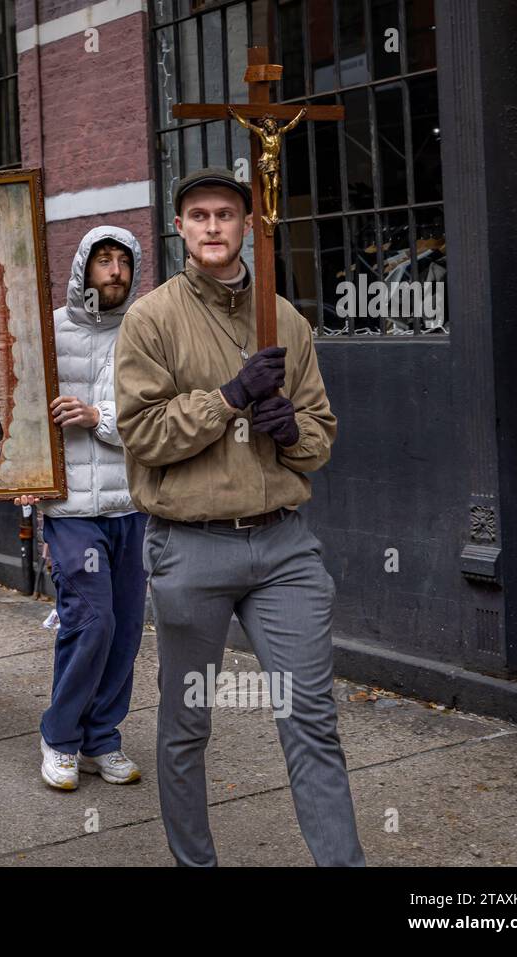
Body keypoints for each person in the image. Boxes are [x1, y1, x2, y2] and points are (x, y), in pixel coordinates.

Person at [114, 167, 364, 867]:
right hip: (191, 549)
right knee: (188, 722)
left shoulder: (283, 318)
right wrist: (227, 397)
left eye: (226, 213)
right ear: (181, 229)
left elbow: (320, 434)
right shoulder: (151, 318)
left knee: (311, 717)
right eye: (199, 215)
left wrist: (290, 431)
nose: (214, 226)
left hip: (284, 550)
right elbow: (145, 433)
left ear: (247, 225)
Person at [13, 226, 148, 792]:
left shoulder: (147, 332)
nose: (114, 271)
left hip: (132, 504)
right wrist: (20, 472)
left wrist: (100, 420)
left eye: (123, 261)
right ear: (83, 269)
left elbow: (157, 416)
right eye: (103, 261)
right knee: (91, 621)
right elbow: (16, 406)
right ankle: (60, 737)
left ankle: (102, 738)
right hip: (70, 510)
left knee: (126, 630)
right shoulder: (47, 331)